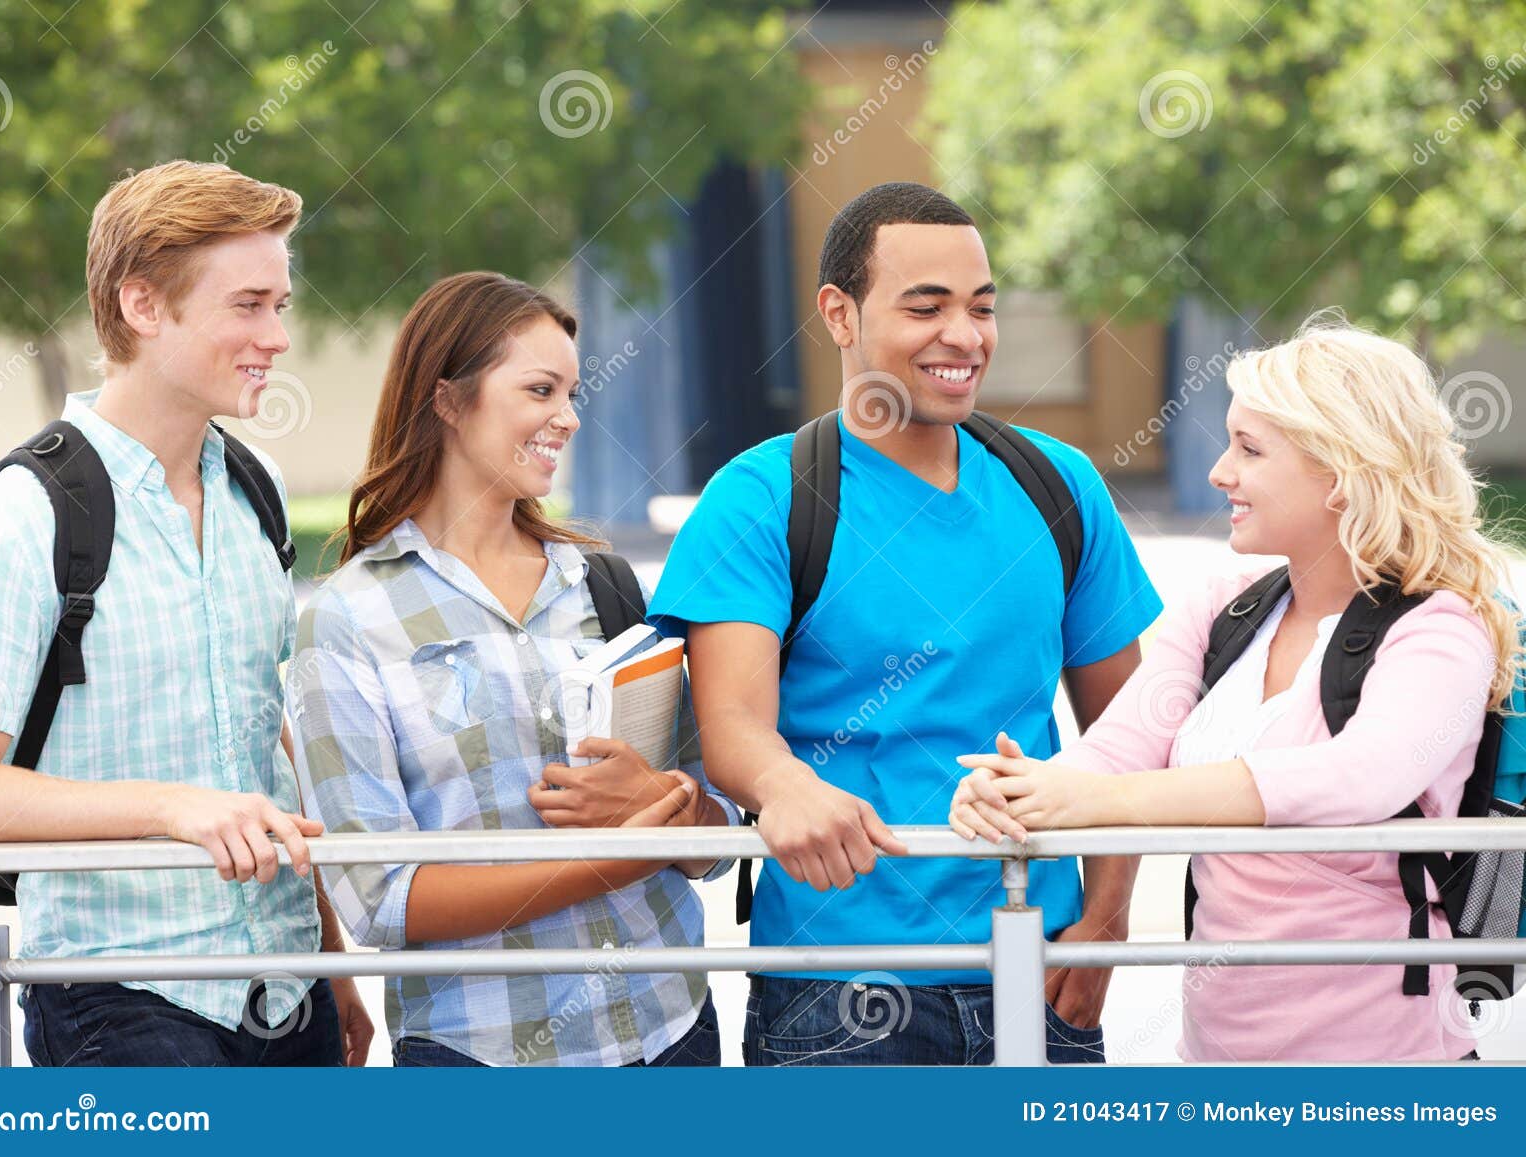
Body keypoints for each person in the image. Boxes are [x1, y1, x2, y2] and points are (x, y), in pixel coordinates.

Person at [648, 182, 1163, 1065]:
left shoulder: (1061, 486)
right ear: (838, 314)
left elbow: (1135, 732)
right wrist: (785, 784)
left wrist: (1105, 920)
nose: (963, 336)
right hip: (840, 984)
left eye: (982, 307)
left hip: (1037, 961)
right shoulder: (763, 498)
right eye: (926, 307)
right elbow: (732, 729)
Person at [951, 316, 1520, 1062]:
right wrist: (1021, 788)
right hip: (1215, 1065)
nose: (1220, 472)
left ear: (1343, 474)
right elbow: (1118, 752)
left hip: (1391, 1075)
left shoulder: (1441, 629)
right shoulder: (1224, 604)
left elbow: (1360, 776)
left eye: (1250, 449)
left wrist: (1101, 803)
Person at [0, 160, 372, 1066]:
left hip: (287, 995)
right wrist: (172, 808)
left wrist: (330, 960)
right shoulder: (19, 516)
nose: (278, 336)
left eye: (280, 304)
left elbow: (262, 738)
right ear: (143, 307)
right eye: (248, 305)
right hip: (121, 998)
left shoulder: (259, 491)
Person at [287, 271, 740, 1067]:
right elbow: (382, 897)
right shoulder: (348, 619)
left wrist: (668, 801)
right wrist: (608, 861)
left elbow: (714, 843)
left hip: (673, 1033)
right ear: (448, 399)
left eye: (570, 392)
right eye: (539, 389)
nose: (567, 417)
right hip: (485, 1060)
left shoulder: (605, 583)